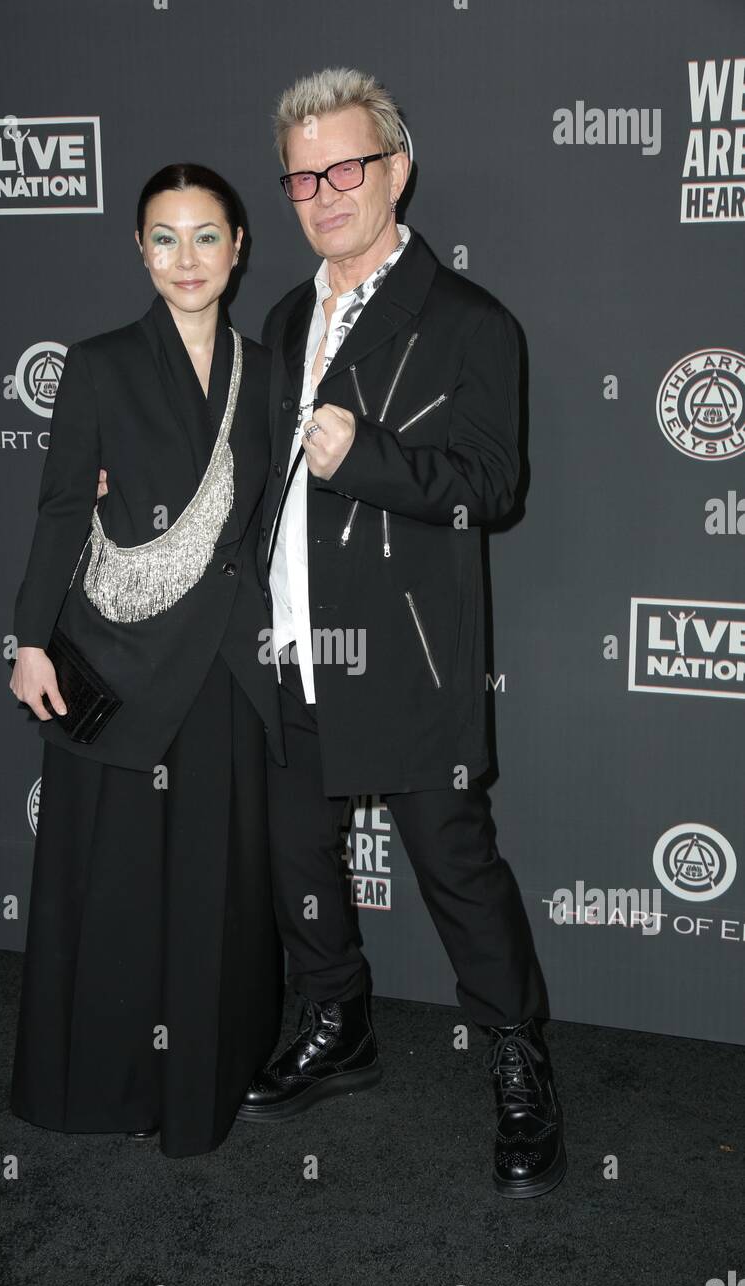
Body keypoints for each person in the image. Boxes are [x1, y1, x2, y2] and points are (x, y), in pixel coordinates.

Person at [235, 67, 566, 1199]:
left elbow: (492, 485)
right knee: (295, 861)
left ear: (395, 169)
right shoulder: (283, 317)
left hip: (407, 654)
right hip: (288, 649)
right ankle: (339, 1024)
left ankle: (518, 1064)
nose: (323, 192)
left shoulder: (471, 321)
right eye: (301, 176)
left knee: (456, 870)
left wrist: (363, 456)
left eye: (345, 167)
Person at [8, 163, 285, 1159]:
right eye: (163, 238)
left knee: (214, 890)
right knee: (116, 885)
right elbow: (58, 510)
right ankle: (104, 1084)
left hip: (221, 669)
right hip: (116, 663)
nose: (185, 259)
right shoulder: (99, 363)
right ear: (138, 250)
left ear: (238, 245)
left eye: (205, 235)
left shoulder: (270, 371)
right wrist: (30, 637)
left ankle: (196, 1086)